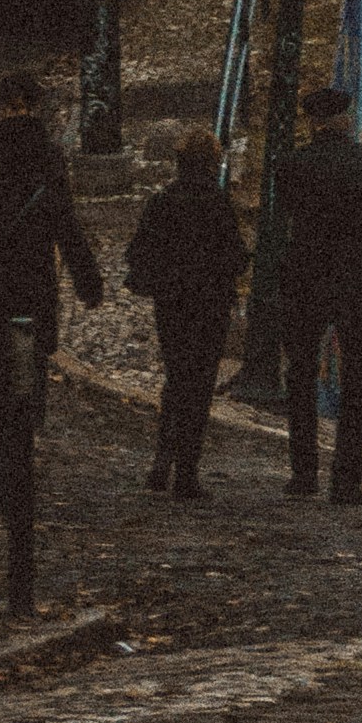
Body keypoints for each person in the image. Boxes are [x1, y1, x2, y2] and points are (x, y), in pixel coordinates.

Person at [0, 67, 106, 580]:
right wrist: (87, 278)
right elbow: (64, 221)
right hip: (29, 298)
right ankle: (14, 477)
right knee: (21, 391)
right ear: (36, 106)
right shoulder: (45, 157)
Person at [276, 78, 362, 504]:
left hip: (306, 279)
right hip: (359, 281)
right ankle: (347, 478)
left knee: (300, 376)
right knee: (357, 381)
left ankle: (304, 473)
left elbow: (279, 225)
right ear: (344, 119)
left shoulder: (292, 166)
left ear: (313, 122)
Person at [128, 132, 247, 498]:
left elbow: (137, 252)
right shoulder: (218, 204)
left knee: (177, 379)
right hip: (209, 305)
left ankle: (162, 462)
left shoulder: (163, 202)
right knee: (198, 386)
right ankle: (187, 472)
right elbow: (237, 258)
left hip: (172, 303)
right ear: (212, 164)